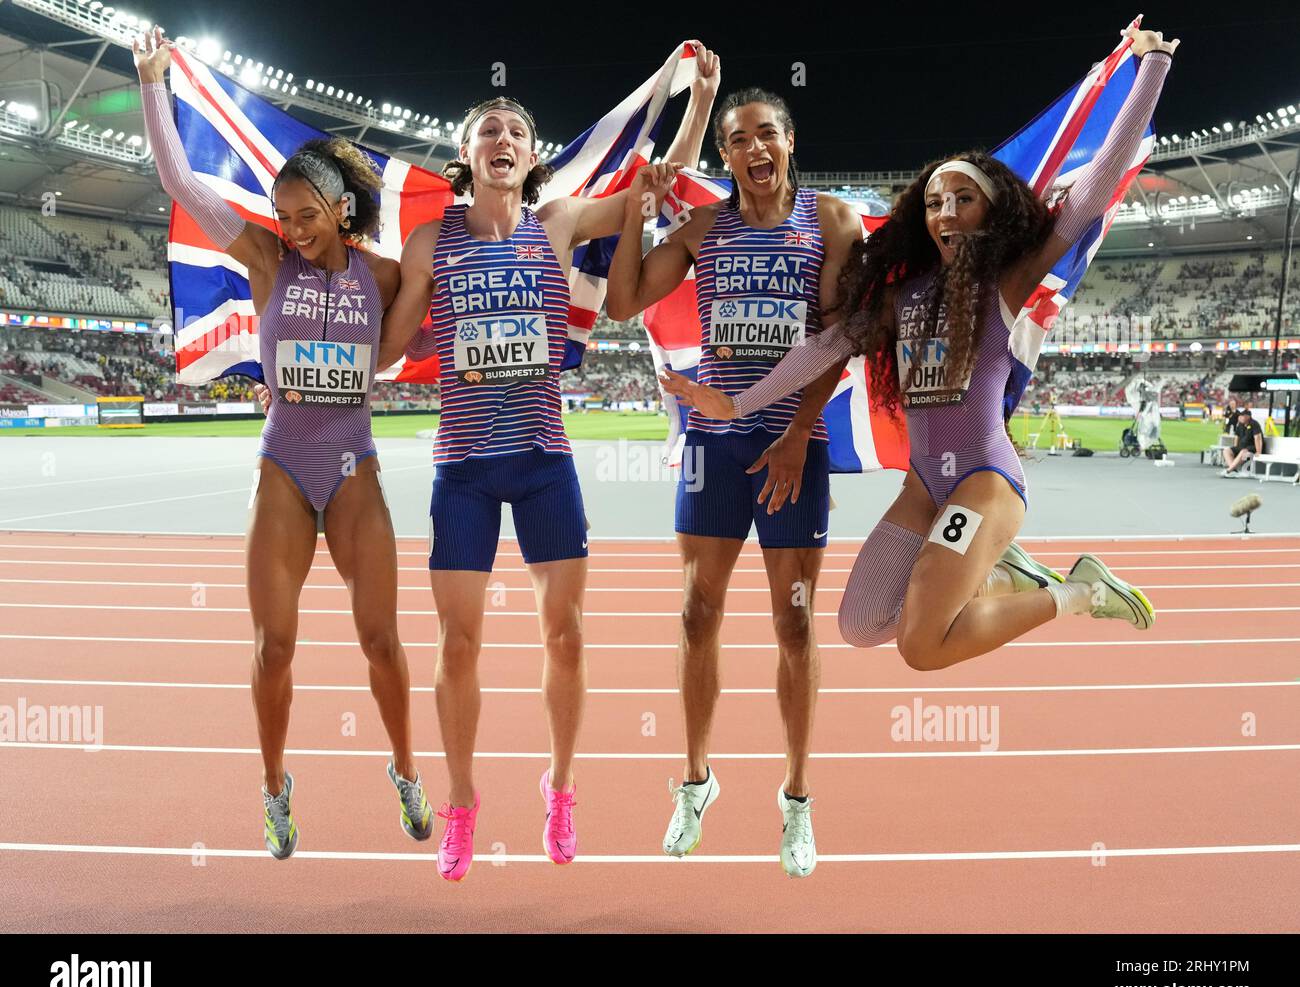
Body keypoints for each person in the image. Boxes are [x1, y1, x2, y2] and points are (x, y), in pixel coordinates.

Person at [661, 25, 1178, 679]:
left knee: (921, 643)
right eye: (935, 202)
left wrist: (1152, 65)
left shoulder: (1007, 284)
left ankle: (1079, 592)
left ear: (994, 212)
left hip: (982, 487)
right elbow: (821, 347)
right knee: (860, 624)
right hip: (924, 487)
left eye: (964, 199)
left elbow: (1097, 185)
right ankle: (998, 572)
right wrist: (736, 401)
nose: (947, 212)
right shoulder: (899, 300)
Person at [380, 45, 721, 881]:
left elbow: (656, 185)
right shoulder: (432, 241)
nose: (502, 136)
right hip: (461, 466)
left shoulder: (559, 222)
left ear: (531, 157)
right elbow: (389, 347)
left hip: (542, 460)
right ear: (467, 158)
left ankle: (560, 787)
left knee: (564, 637)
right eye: (487, 129)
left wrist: (701, 102)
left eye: (516, 131)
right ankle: (461, 802)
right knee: (458, 645)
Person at [136, 26, 433, 859]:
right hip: (283, 461)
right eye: (283, 217)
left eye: (307, 216)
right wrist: (154, 82)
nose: (293, 229)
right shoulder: (268, 261)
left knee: (381, 637)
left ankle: (407, 768)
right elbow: (178, 178)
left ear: (343, 210)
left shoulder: (380, 277)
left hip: (354, 461)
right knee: (273, 646)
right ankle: (275, 787)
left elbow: (436, 264)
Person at [606, 88, 862, 877]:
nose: (753, 150)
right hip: (711, 444)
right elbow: (621, 302)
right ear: (723, 156)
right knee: (695, 612)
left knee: (794, 626)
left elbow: (841, 334)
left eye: (766, 135)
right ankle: (694, 780)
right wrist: (630, 210)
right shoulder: (704, 227)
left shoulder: (830, 222)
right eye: (737, 140)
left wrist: (793, 434)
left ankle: (796, 799)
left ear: (789, 142)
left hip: (794, 445)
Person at [1221, 407, 1263, 477]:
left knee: (1243, 452)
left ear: (1247, 417)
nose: (1240, 417)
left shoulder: (1254, 424)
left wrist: (1258, 451)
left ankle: (1228, 471)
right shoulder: (1240, 424)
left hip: (1252, 448)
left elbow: (1258, 438)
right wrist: (1235, 448)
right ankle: (1234, 470)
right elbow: (1237, 437)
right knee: (1226, 451)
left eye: (1242, 416)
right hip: (1242, 447)